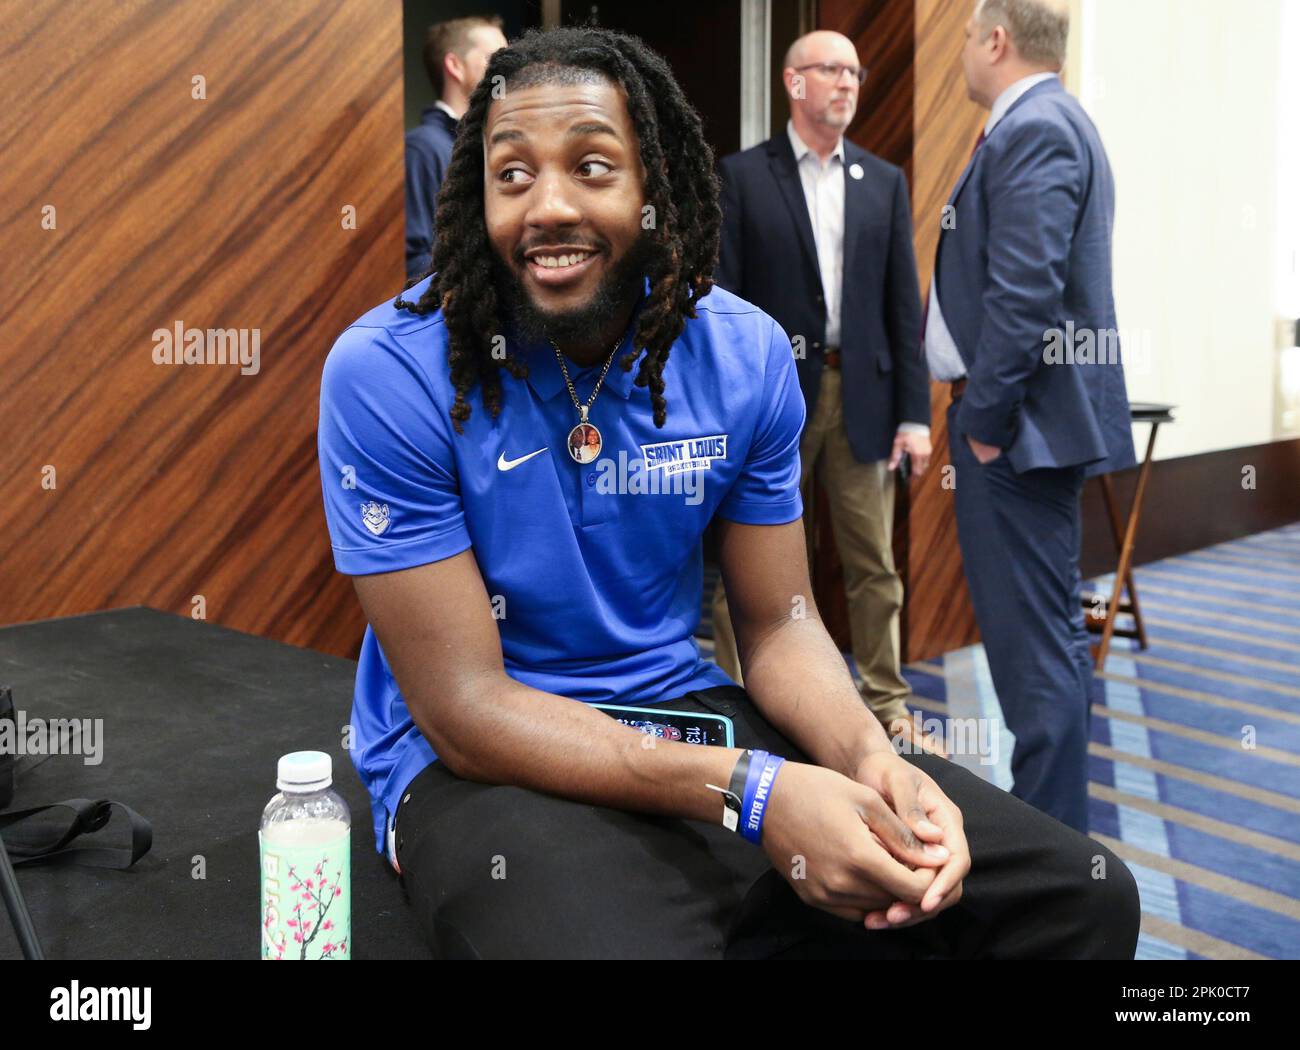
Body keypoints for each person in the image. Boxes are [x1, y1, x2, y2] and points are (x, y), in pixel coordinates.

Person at [317, 25, 1140, 959]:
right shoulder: (389, 371)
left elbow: (781, 625)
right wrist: (752, 793)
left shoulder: (743, 352)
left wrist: (872, 757)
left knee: (1076, 894)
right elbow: (464, 706)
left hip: (681, 707)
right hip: (484, 755)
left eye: (592, 167)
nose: (546, 206)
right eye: (511, 176)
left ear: (656, 185)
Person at [927, 0, 1136, 832]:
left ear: (996, 40)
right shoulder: (1049, 120)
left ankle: (1051, 851)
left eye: (968, 41)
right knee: (1040, 641)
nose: (964, 59)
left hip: (1014, 434)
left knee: (1035, 650)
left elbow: (1026, 296)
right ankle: (1053, 837)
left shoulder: (1035, 128)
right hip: (1023, 430)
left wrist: (983, 420)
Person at [708, 30, 934, 754]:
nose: (846, 82)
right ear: (792, 82)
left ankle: (888, 701)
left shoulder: (884, 181)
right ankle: (737, 696)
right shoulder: (742, 176)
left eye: (855, 72)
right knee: (751, 557)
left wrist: (915, 414)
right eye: (830, 70)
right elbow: (723, 302)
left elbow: (905, 305)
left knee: (873, 561)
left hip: (862, 397)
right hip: (773, 400)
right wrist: (730, 403)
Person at [405, 15, 508, 280]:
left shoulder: (494, 145)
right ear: (455, 65)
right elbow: (414, 259)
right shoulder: (422, 148)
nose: (508, 71)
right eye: (496, 58)